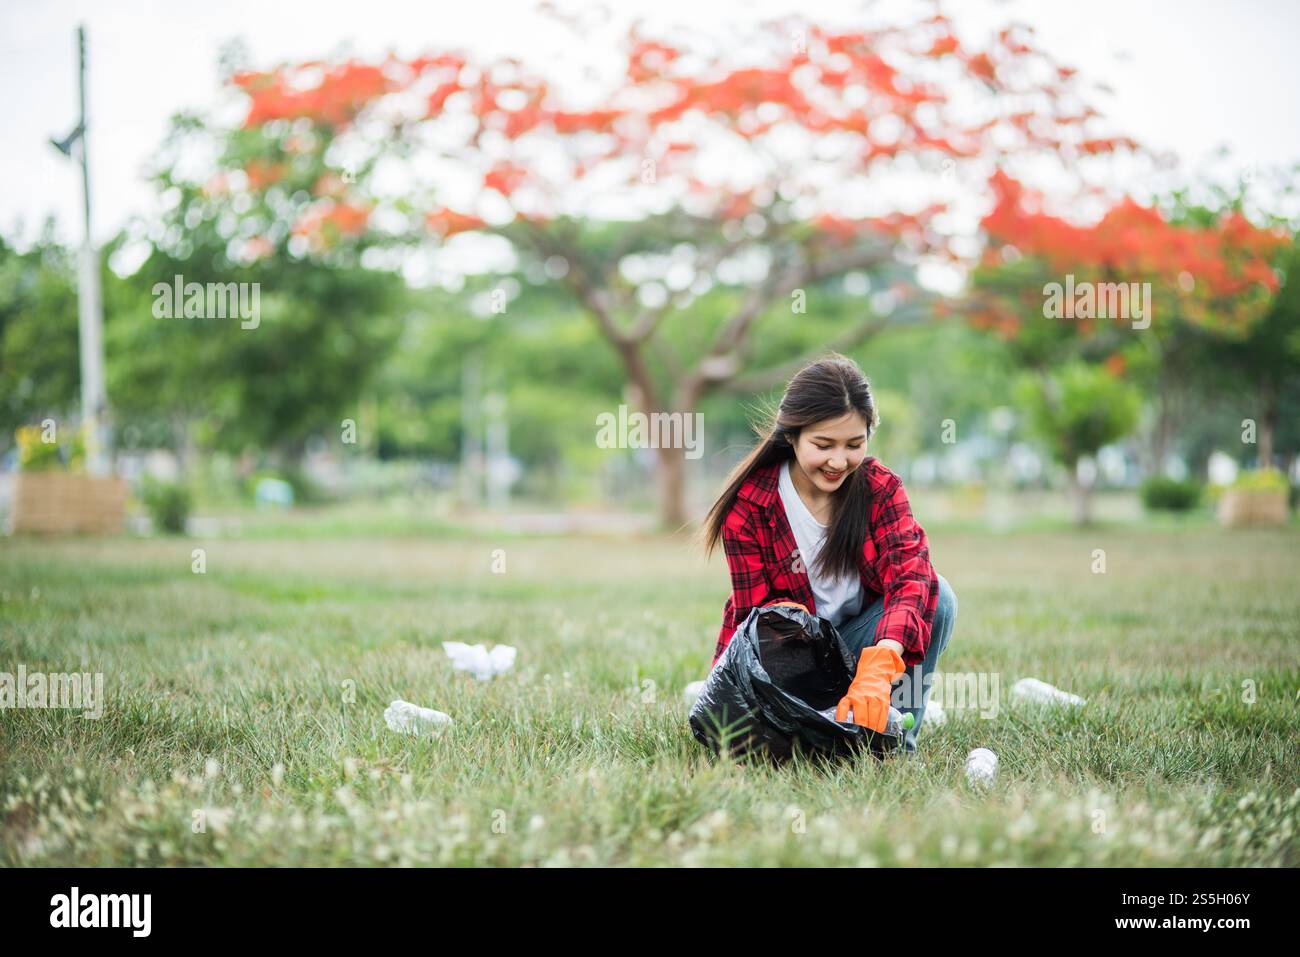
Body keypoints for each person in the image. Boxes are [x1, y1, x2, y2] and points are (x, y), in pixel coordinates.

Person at [700, 353, 957, 754]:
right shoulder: (750, 507)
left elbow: (912, 577)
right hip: (789, 662)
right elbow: (765, 625)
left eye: (854, 444)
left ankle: (895, 743)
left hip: (862, 650)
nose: (839, 461)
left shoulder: (879, 489)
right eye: (823, 445)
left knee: (938, 597)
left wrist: (881, 662)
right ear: (791, 436)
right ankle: (833, 728)